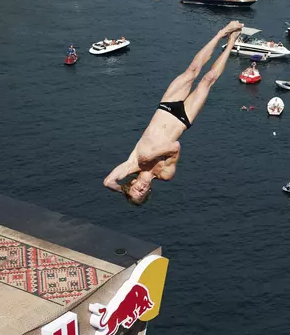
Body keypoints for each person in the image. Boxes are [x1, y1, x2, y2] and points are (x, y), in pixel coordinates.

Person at [104, 21, 244, 204]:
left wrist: (123, 191)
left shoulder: (132, 165)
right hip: (183, 118)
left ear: (132, 184)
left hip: (166, 107)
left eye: (136, 192)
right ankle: (232, 41)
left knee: (192, 70)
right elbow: (175, 147)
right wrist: (152, 156)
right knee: (208, 80)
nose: (142, 190)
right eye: (143, 194)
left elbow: (108, 182)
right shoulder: (164, 173)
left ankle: (222, 33)